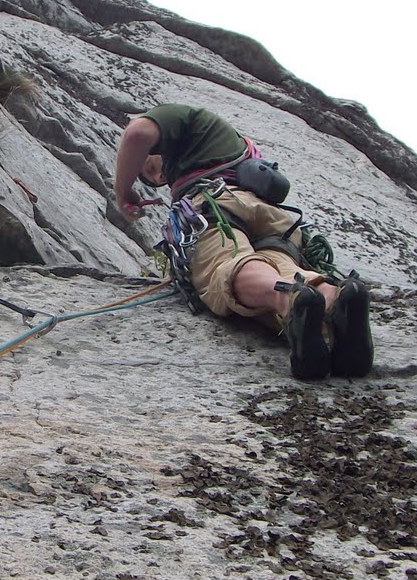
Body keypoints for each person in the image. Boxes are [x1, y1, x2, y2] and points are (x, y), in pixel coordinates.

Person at [113, 103, 373, 380]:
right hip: (273, 216)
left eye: (151, 166)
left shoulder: (180, 117)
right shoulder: (234, 145)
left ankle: (286, 295)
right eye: (152, 180)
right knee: (282, 267)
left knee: (224, 268)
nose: (158, 177)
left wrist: (123, 192)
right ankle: (335, 298)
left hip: (218, 207)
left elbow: (137, 134)